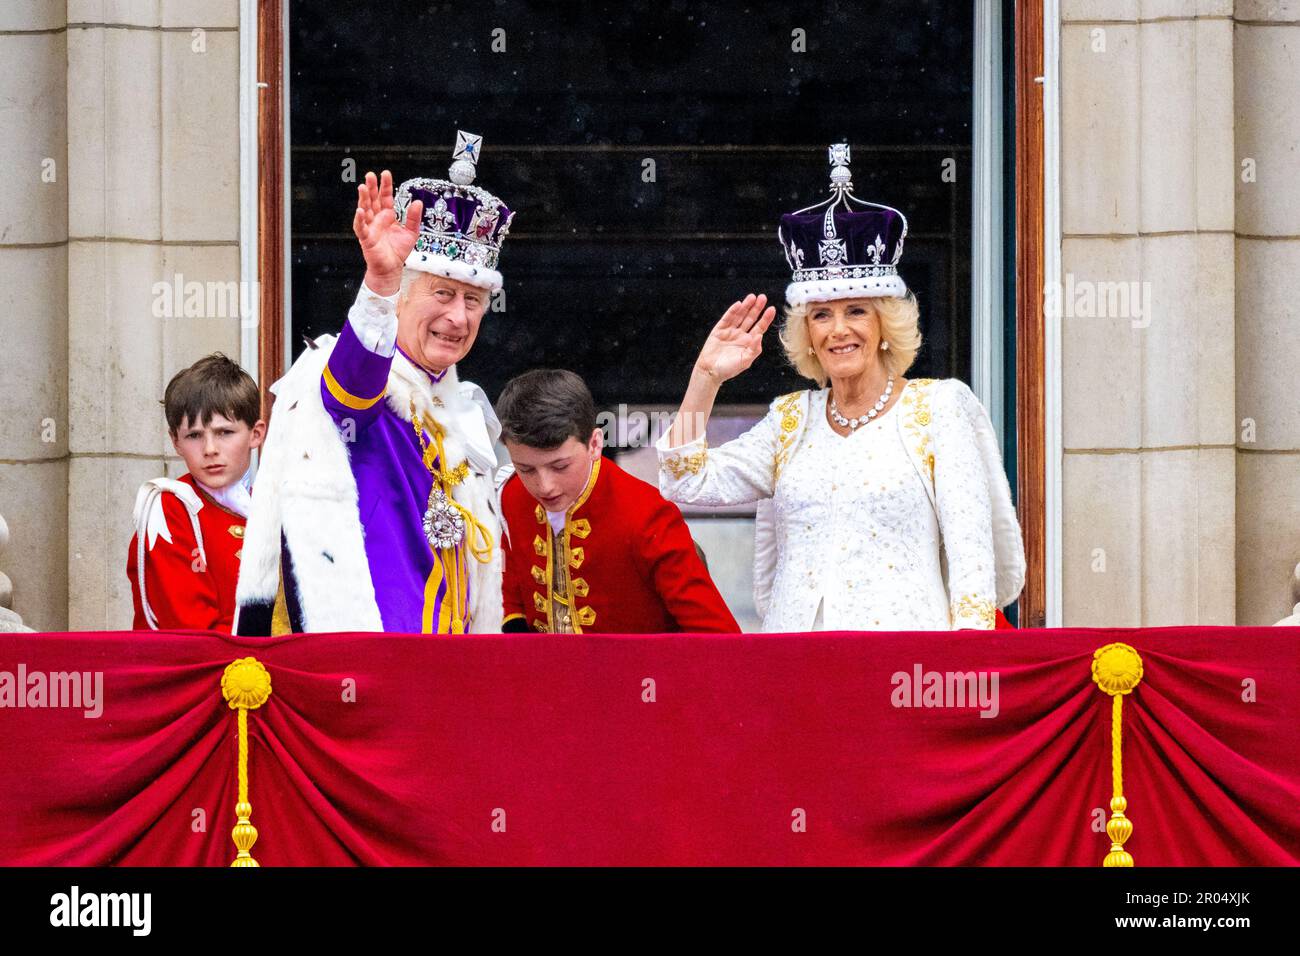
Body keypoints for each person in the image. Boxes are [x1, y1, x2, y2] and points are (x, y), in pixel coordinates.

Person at [655, 143, 1025, 632]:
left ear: (884, 324)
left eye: (856, 311)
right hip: (798, 665)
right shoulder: (790, 420)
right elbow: (685, 479)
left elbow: (971, 556)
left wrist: (965, 666)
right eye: (822, 315)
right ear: (807, 331)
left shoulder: (937, 408)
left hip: (905, 668)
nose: (838, 329)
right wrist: (706, 378)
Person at [234, 131, 512, 635]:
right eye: (443, 293)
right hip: (375, 662)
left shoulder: (461, 415)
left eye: (473, 301)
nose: (457, 315)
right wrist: (379, 286)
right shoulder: (365, 382)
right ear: (402, 299)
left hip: (454, 670)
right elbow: (350, 387)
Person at [496, 369, 739, 634]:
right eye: (526, 469)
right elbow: (511, 587)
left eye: (560, 466)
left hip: (637, 674)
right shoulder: (509, 494)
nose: (545, 486)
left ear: (595, 443)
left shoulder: (647, 514)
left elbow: (718, 637)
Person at [127, 354, 266, 632]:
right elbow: (191, 631)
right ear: (175, 441)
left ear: (256, 434)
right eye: (194, 435)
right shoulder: (169, 509)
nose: (210, 449)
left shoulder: (272, 509)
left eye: (225, 432)